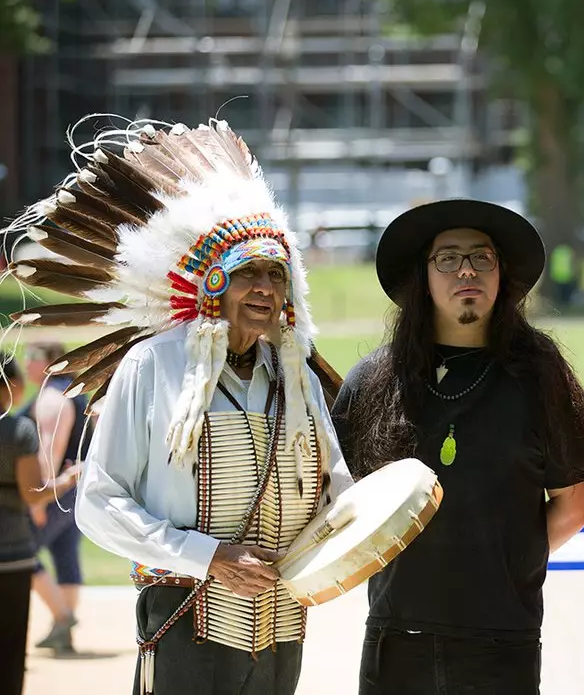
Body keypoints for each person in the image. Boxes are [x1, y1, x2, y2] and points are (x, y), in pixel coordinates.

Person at [4, 116, 354, 695]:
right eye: (247, 274)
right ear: (211, 282)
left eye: (276, 273)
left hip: (281, 618)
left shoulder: (297, 379)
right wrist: (207, 556)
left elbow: (334, 483)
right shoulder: (154, 366)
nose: (265, 287)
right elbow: (98, 501)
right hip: (184, 610)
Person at [330, 198, 584, 694]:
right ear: (423, 275)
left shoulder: (540, 375)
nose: (466, 271)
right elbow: (338, 506)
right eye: (448, 258)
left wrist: (506, 563)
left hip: (502, 640)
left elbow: (575, 501)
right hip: (397, 637)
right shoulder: (374, 380)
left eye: (482, 257)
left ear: (502, 273)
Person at [0, 356, 79, 693]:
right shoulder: (18, 430)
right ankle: (65, 617)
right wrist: (67, 479)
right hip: (10, 555)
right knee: (8, 652)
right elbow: (33, 493)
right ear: (10, 385)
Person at [22, 341, 91, 653]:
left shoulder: (51, 398)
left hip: (57, 489)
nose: (26, 362)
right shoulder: (75, 393)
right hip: (78, 489)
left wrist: (38, 496)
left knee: (22, 553)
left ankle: (63, 618)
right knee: (66, 556)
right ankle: (64, 632)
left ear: (50, 362)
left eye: (32, 356)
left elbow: (47, 452)